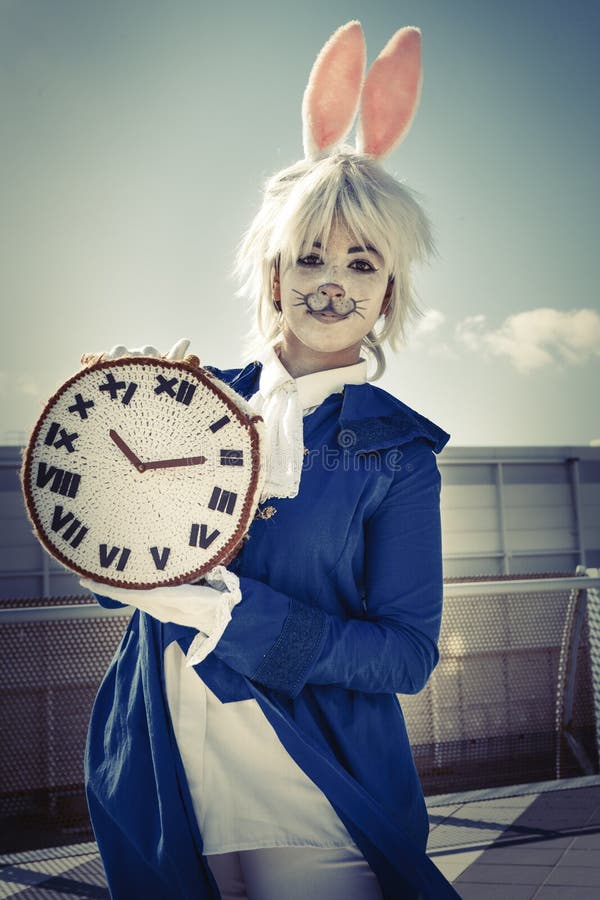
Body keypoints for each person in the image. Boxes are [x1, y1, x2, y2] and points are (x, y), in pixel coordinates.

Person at [81, 22, 458, 900]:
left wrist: (231, 613)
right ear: (272, 269)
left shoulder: (401, 456)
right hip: (166, 774)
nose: (334, 281)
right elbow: (108, 576)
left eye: (363, 263)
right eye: (312, 255)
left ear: (389, 291)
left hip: (316, 791)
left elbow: (405, 656)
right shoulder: (189, 397)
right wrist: (114, 456)